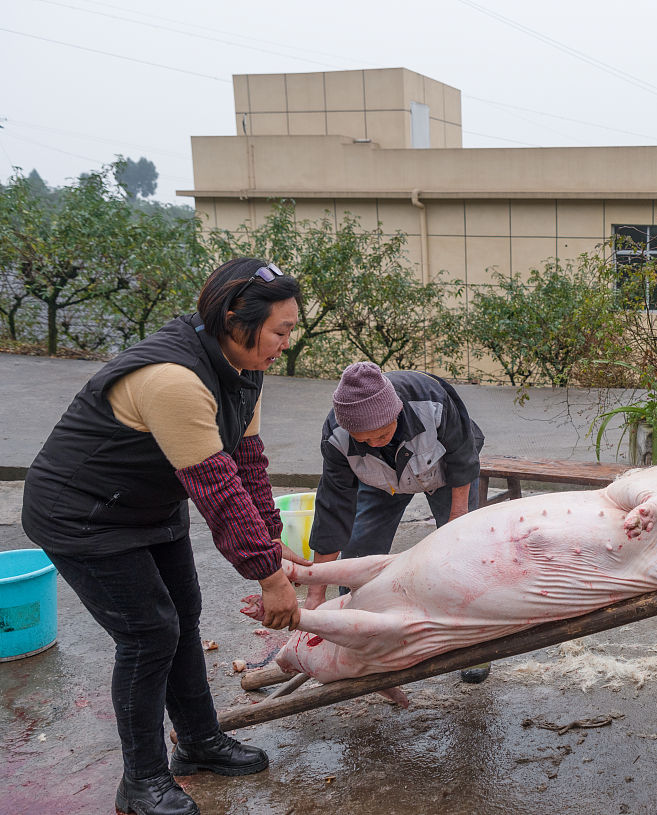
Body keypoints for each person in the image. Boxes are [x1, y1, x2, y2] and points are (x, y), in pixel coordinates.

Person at [21, 258, 307, 815]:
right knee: (149, 634)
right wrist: (269, 578)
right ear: (235, 320)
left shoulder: (243, 368)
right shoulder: (175, 379)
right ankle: (142, 781)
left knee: (184, 615)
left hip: (148, 504)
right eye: (281, 330)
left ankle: (199, 741)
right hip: (83, 515)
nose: (286, 343)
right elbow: (218, 492)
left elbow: (247, 464)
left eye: (290, 330)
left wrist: (272, 542)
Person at [305, 361, 489, 682]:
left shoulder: (431, 400)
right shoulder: (336, 437)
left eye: (382, 434)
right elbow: (333, 510)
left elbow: (462, 457)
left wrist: (457, 521)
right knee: (358, 551)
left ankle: (475, 645)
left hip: (445, 471)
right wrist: (315, 593)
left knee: (462, 559)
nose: (375, 442)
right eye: (365, 440)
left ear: (396, 413)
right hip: (381, 481)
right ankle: (358, 638)